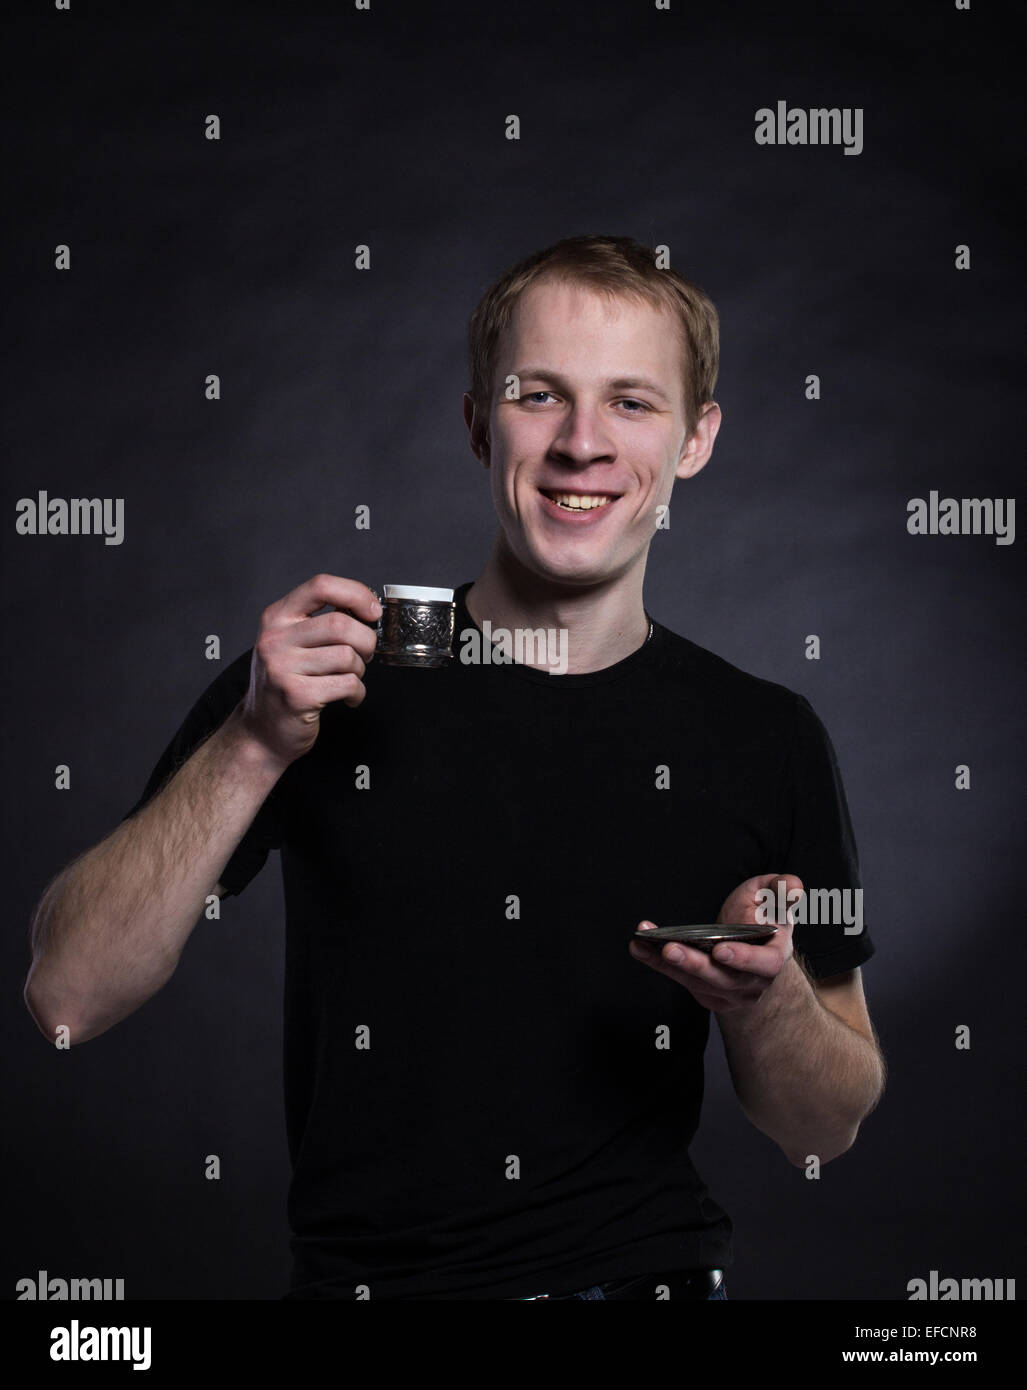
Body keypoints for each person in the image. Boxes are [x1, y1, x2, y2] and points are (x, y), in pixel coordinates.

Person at [24, 234, 885, 1301]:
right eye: (539, 395)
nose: (582, 444)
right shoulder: (317, 676)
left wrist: (767, 1004)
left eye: (631, 402)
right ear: (479, 423)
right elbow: (65, 996)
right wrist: (249, 746)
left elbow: (828, 1125)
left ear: (696, 438)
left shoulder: (768, 735)